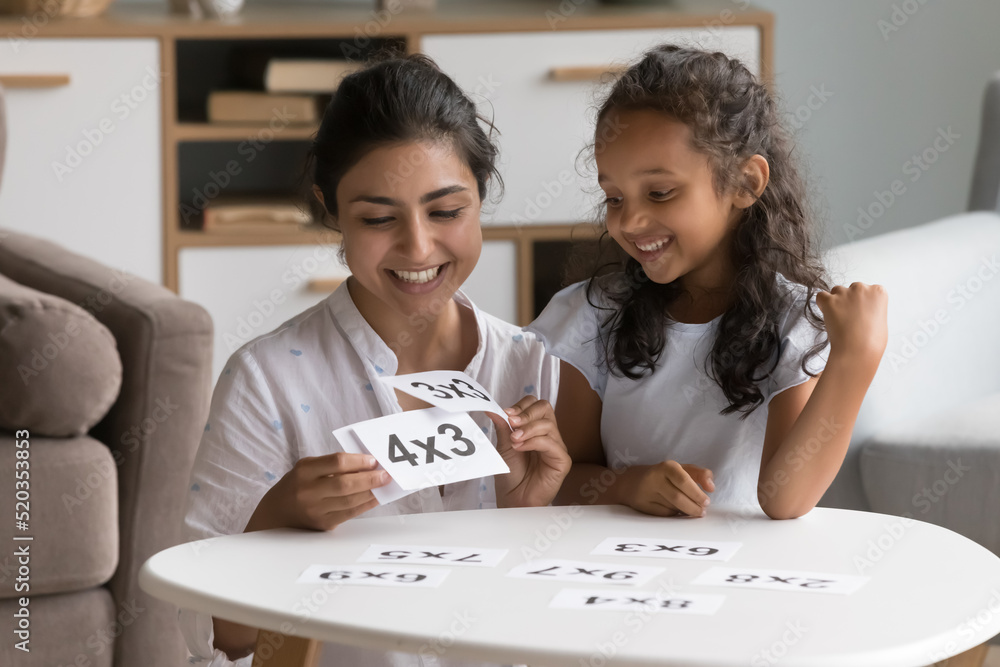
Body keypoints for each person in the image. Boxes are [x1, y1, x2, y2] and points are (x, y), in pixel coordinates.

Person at [180, 54, 569, 667]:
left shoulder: (537, 369)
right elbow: (212, 641)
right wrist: (275, 523)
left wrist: (528, 518)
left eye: (446, 211)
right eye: (378, 218)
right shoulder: (266, 379)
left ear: (482, 194)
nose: (418, 246)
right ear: (330, 208)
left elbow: (572, 614)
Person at [524, 44, 888, 521]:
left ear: (745, 183)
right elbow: (557, 479)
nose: (630, 220)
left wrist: (856, 359)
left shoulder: (792, 325)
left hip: (738, 577)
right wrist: (627, 485)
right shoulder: (591, 315)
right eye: (614, 197)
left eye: (660, 192)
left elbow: (786, 499)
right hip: (609, 568)